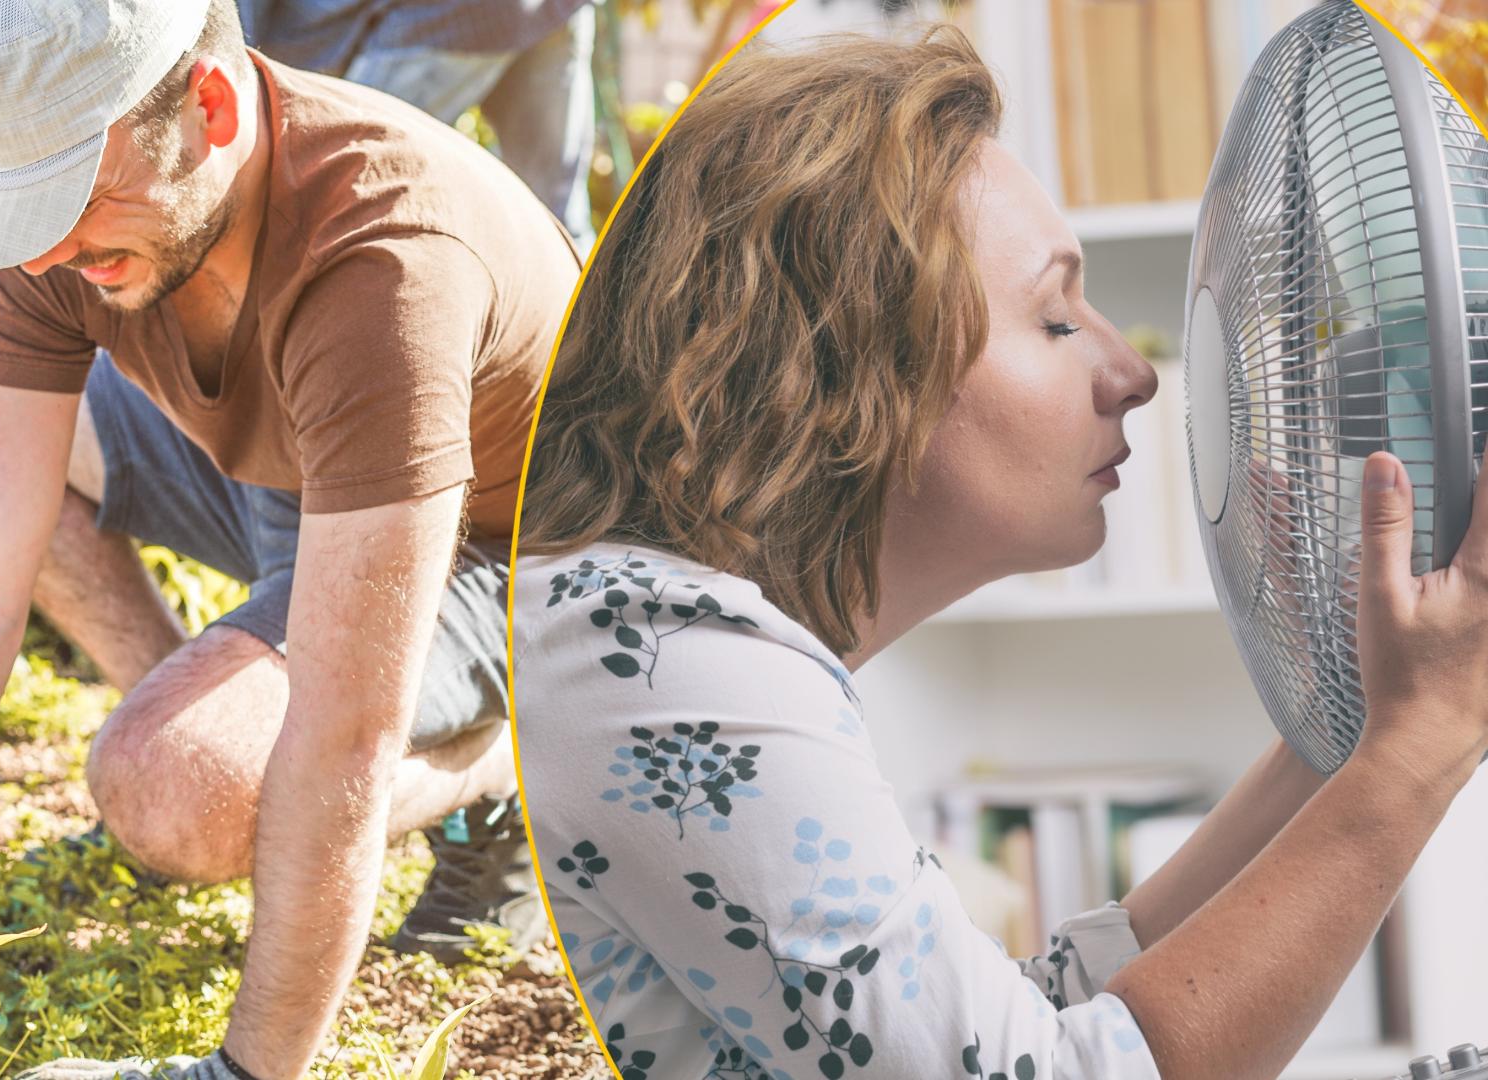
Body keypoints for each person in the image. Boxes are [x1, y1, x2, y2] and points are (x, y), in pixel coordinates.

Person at [511, 27, 1488, 1080]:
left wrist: (1347, 722)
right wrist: (1427, 734)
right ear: (847, 361)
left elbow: (1010, 1029)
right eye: (1057, 319)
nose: (1135, 373)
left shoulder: (641, 638)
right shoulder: (653, 659)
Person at [0, 0, 580, 1077]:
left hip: (511, 547)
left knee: (172, 791)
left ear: (209, 108)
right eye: (13, 204)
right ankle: (204, 725)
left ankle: (501, 760)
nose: (39, 247)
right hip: (291, 474)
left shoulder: (385, 259)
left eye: (69, 198)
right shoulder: (60, 214)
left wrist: (240, 1074)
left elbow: (347, 729)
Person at [243, 0, 598, 249]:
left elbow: (239, 41)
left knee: (341, 204)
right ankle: (599, 351)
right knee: (557, 219)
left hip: (438, 18)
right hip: (550, 11)